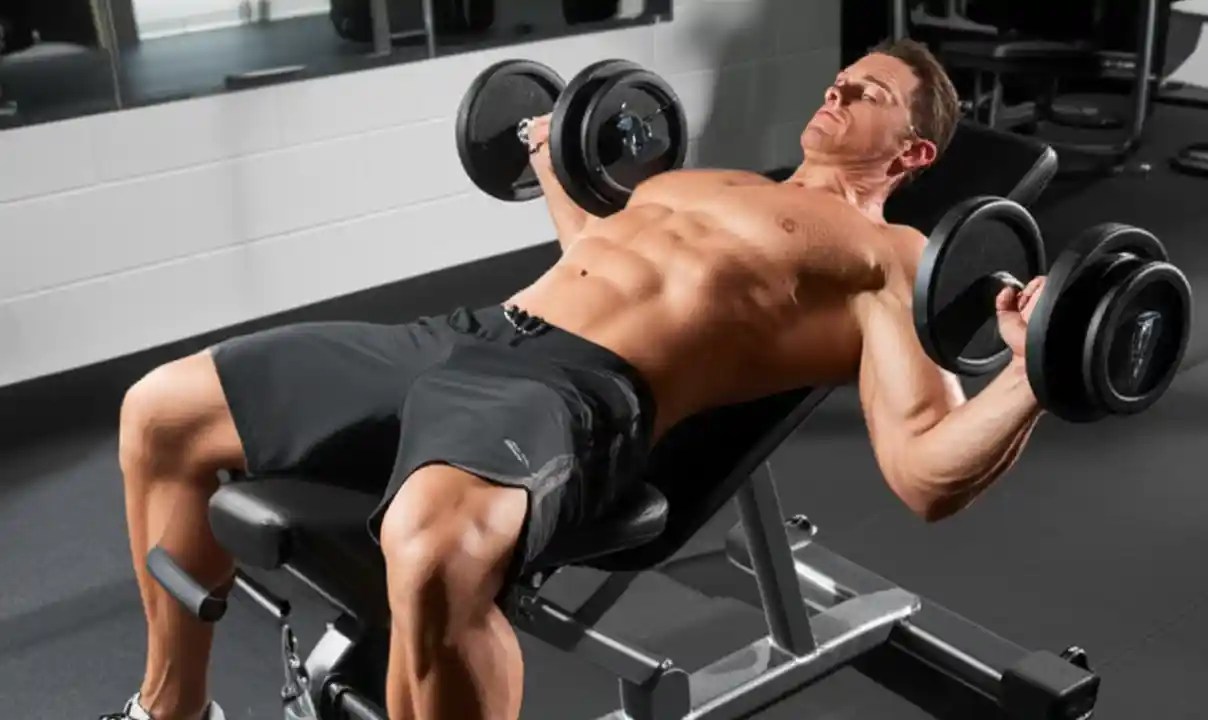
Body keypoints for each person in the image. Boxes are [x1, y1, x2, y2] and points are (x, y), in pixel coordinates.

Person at [102, 38, 1048, 720]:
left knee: (430, 555)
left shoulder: (895, 257)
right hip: (469, 334)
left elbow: (926, 469)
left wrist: (1032, 368)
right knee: (163, 410)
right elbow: (602, 256)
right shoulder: (712, 182)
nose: (839, 86)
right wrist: (550, 157)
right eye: (844, 74)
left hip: (570, 393)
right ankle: (169, 709)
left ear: (913, 153)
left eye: (869, 90)